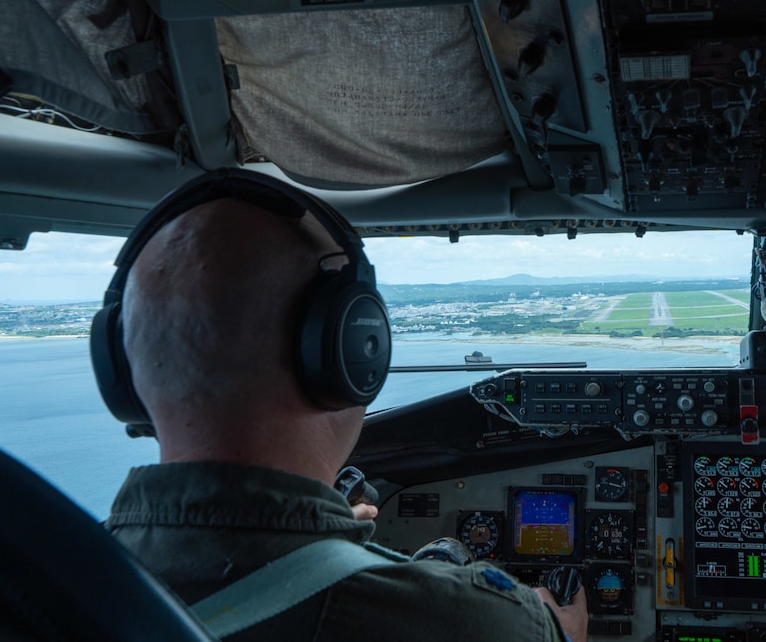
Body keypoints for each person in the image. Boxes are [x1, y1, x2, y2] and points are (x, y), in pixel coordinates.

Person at [101, 174, 587, 641]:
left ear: (122, 372)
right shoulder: (483, 624)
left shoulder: (45, 579)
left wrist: (313, 550)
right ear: (353, 356)